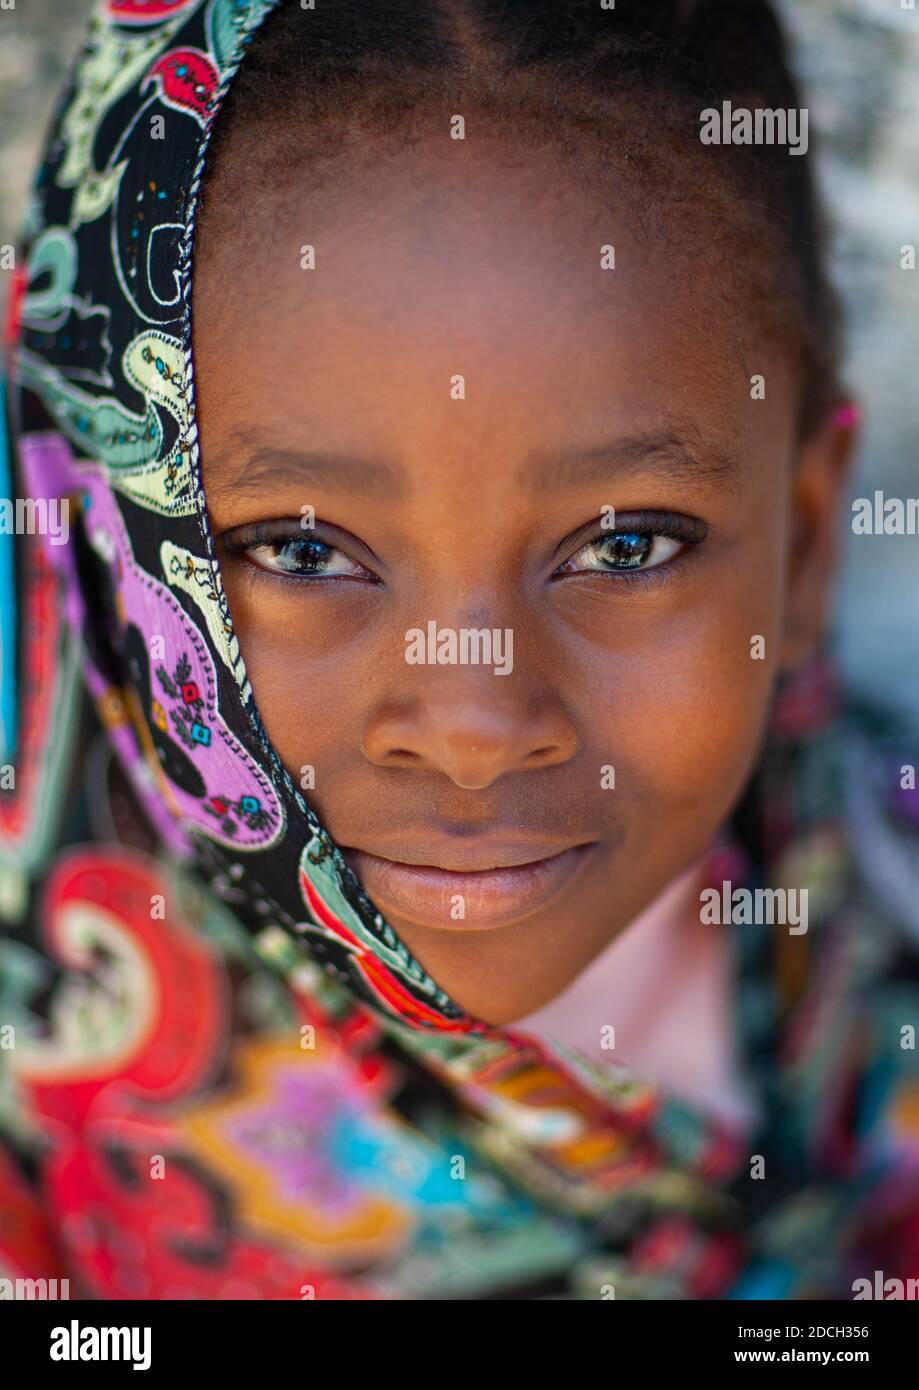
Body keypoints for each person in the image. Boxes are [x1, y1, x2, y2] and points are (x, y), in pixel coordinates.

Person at [1, 0, 918, 1301]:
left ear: (808, 548)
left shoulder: (870, 912)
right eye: (305, 550)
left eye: (627, 543)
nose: (479, 721)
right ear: (122, 543)